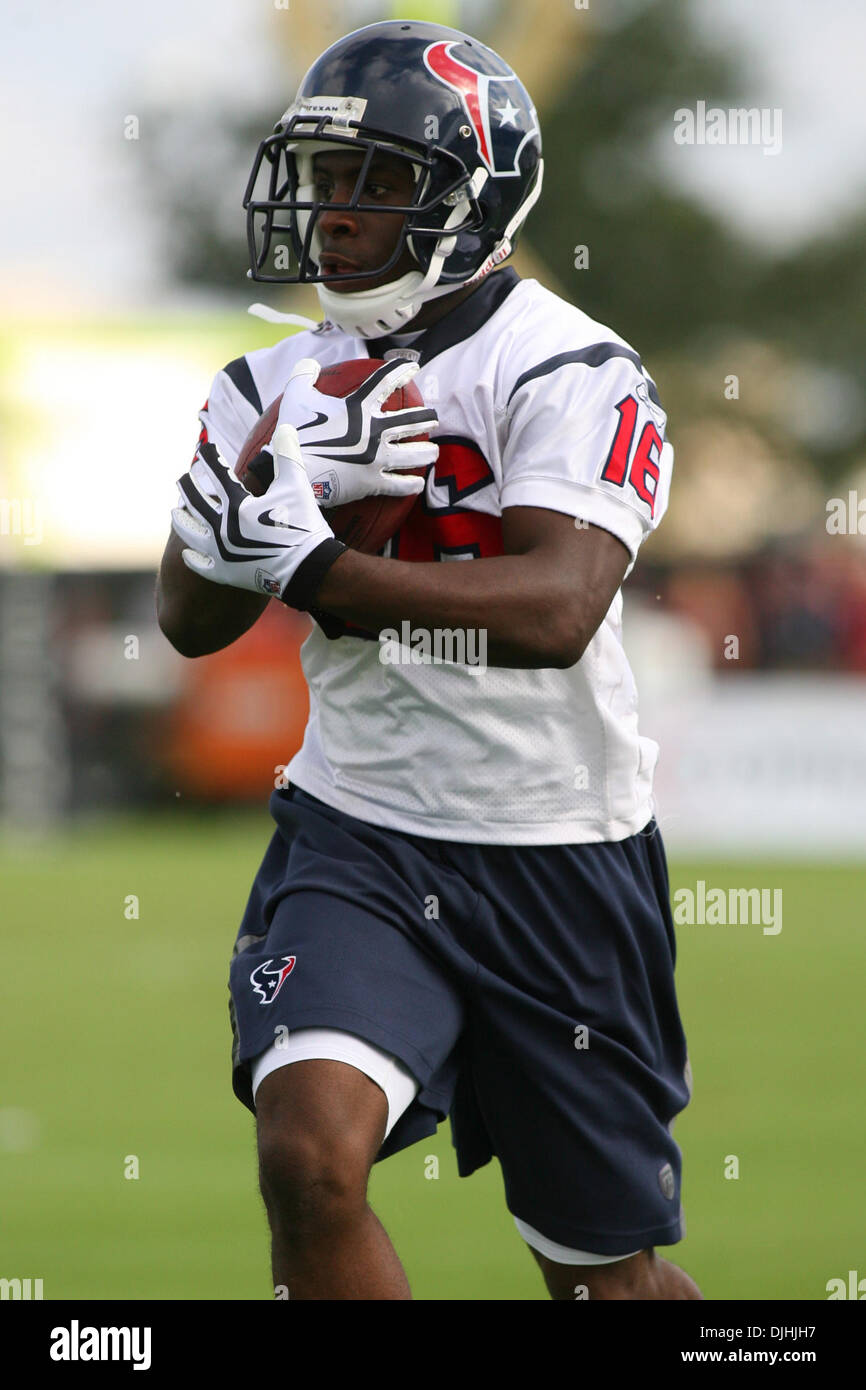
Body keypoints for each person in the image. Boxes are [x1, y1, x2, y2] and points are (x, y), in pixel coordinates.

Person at [157, 17, 701, 1301]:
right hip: (361, 829)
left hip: (557, 850)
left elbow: (557, 606)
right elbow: (186, 617)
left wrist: (313, 566)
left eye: (381, 182)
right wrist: (254, 513)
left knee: (601, 1278)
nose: (335, 215)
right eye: (324, 178)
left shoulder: (565, 366)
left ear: (475, 194)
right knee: (307, 1156)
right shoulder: (271, 382)